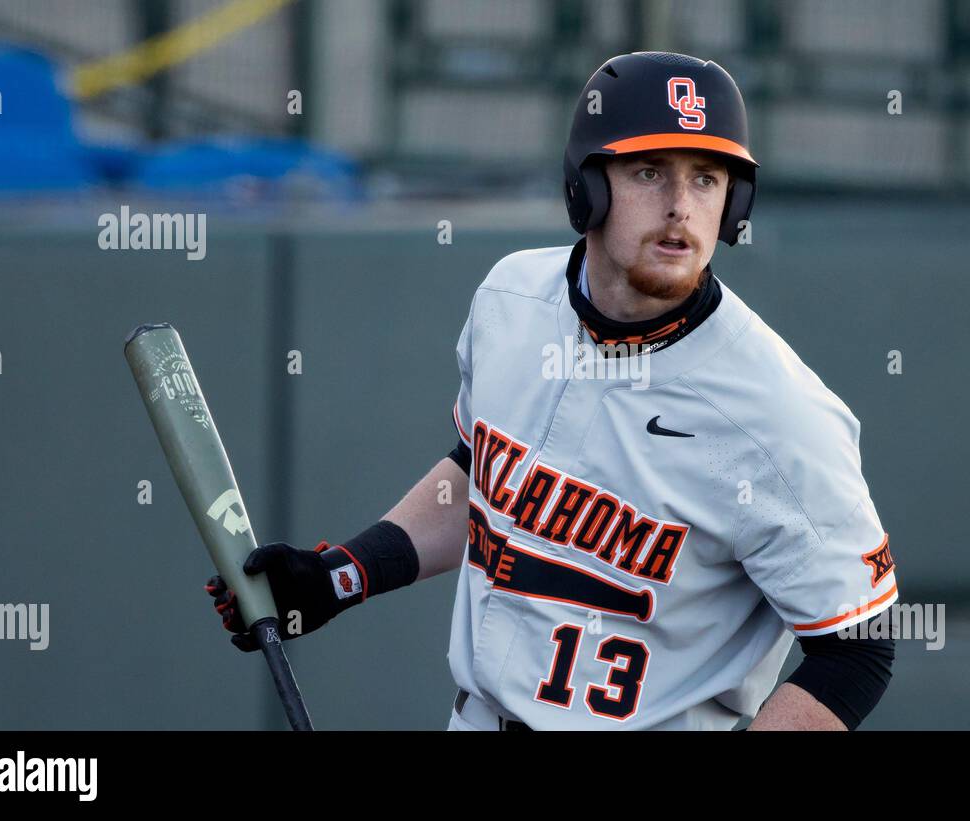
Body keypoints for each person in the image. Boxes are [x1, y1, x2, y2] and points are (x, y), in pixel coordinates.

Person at [206, 51, 898, 731]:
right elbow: (479, 469)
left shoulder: (779, 412)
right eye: (650, 172)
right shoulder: (513, 299)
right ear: (587, 186)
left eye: (708, 178)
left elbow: (858, 650)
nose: (681, 207)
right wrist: (344, 574)